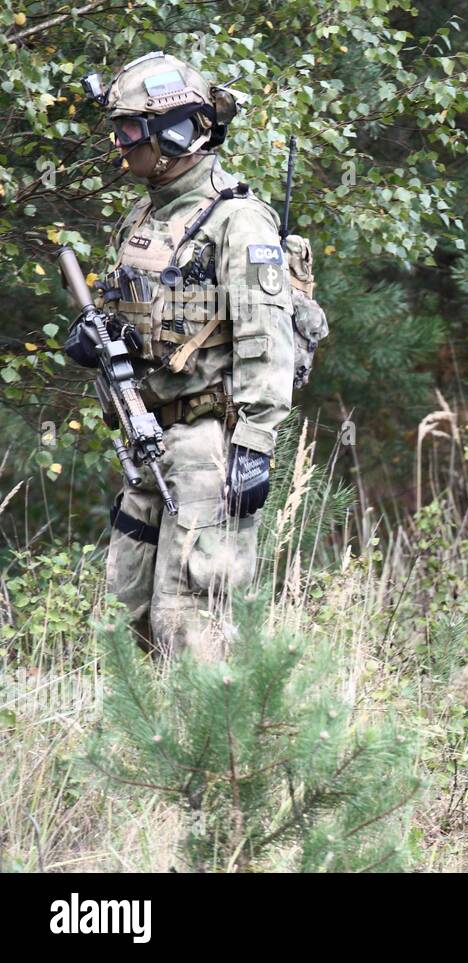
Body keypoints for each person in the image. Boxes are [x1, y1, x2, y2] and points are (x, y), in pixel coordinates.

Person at [64, 52, 294, 660]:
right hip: (149, 439)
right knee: (129, 608)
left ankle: (220, 754)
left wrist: (255, 447)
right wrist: (97, 339)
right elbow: (137, 312)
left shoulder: (237, 221)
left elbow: (266, 338)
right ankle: (152, 750)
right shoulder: (147, 213)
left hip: (206, 445)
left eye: (131, 128)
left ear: (176, 133)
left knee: (191, 621)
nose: (120, 141)